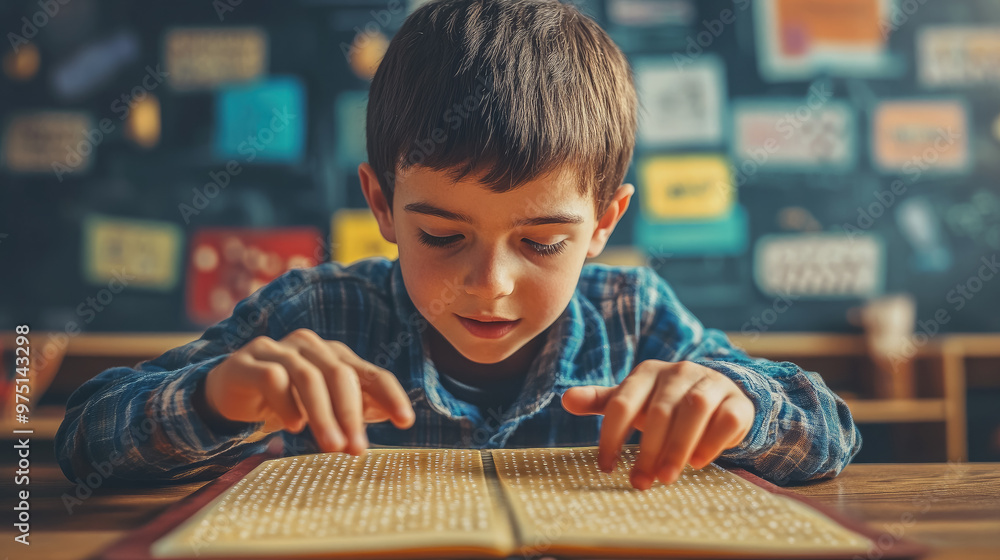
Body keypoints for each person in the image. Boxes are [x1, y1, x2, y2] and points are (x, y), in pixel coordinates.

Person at [55, 0, 861, 490]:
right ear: (382, 204)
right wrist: (214, 400)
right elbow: (84, 445)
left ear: (605, 223)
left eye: (544, 243)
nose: (491, 284)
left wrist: (746, 406)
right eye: (441, 234)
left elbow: (831, 436)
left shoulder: (635, 317)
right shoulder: (314, 313)